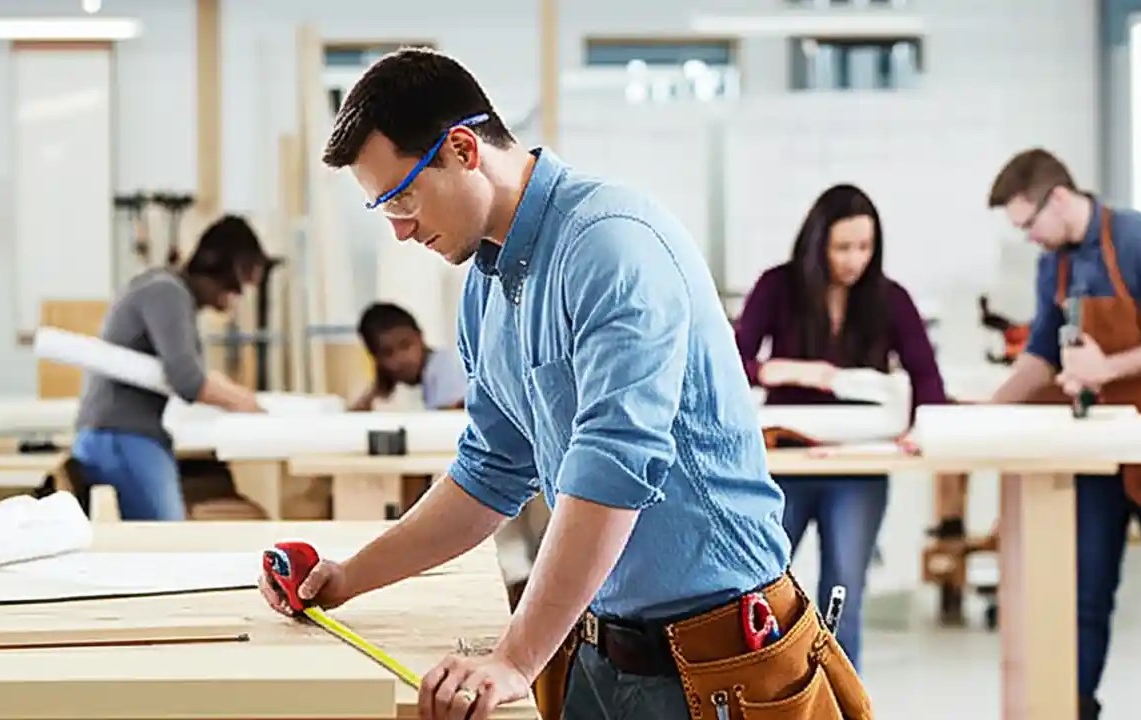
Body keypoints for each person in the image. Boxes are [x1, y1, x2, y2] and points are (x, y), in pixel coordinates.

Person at [256, 47, 871, 720]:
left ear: (462, 149)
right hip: (596, 651)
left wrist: (516, 658)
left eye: (401, 197)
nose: (399, 230)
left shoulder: (610, 246)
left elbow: (614, 469)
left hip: (724, 664)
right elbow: (489, 474)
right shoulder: (485, 290)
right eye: (383, 210)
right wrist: (346, 580)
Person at [986, 148, 1141, 720]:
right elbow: (1041, 350)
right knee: (1084, 596)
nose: (1029, 238)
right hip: (1093, 452)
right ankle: (1076, 706)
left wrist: (1106, 368)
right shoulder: (1052, 265)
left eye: (1028, 224)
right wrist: (985, 411)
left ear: (1057, 198)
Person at [734, 183, 948, 669]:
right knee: (759, 587)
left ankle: (842, 704)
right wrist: (780, 370)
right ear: (817, 242)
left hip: (857, 465)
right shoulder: (777, 286)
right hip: (784, 464)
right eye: (843, 247)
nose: (855, 259)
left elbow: (927, 376)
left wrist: (922, 429)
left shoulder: (889, 298)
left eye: (865, 248)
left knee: (843, 593)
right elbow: (733, 360)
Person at [72, 215, 268, 521]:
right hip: (121, 436)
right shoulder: (167, 292)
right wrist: (242, 403)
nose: (237, 298)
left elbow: (190, 373)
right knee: (171, 540)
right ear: (226, 271)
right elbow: (188, 380)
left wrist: (235, 395)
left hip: (117, 435)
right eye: (240, 286)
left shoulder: (169, 293)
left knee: (162, 540)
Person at [349, 301, 466, 411]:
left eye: (406, 346)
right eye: (387, 353)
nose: (400, 359)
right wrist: (377, 390)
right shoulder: (431, 372)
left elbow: (449, 421)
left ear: (420, 337)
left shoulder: (446, 367)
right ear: (376, 359)